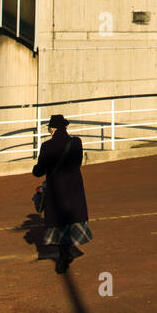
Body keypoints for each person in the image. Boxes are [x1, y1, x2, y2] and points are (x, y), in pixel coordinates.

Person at [32, 114, 92, 274]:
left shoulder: (47, 146)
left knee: (58, 223)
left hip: (56, 190)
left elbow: (39, 170)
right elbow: (77, 163)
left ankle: (63, 258)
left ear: (52, 129)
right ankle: (66, 254)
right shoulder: (76, 143)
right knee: (70, 221)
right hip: (73, 189)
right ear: (65, 127)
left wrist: (36, 170)